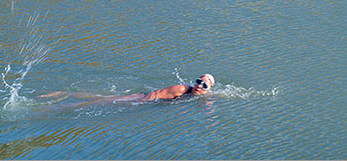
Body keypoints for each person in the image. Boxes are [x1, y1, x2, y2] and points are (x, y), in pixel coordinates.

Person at [40, 74, 215, 105]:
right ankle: (58, 106)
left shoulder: (197, 96)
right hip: (143, 99)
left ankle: (67, 94)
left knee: (102, 98)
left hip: (144, 100)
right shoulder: (182, 88)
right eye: (199, 81)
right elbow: (155, 95)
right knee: (100, 102)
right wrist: (138, 103)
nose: (199, 85)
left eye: (204, 85)